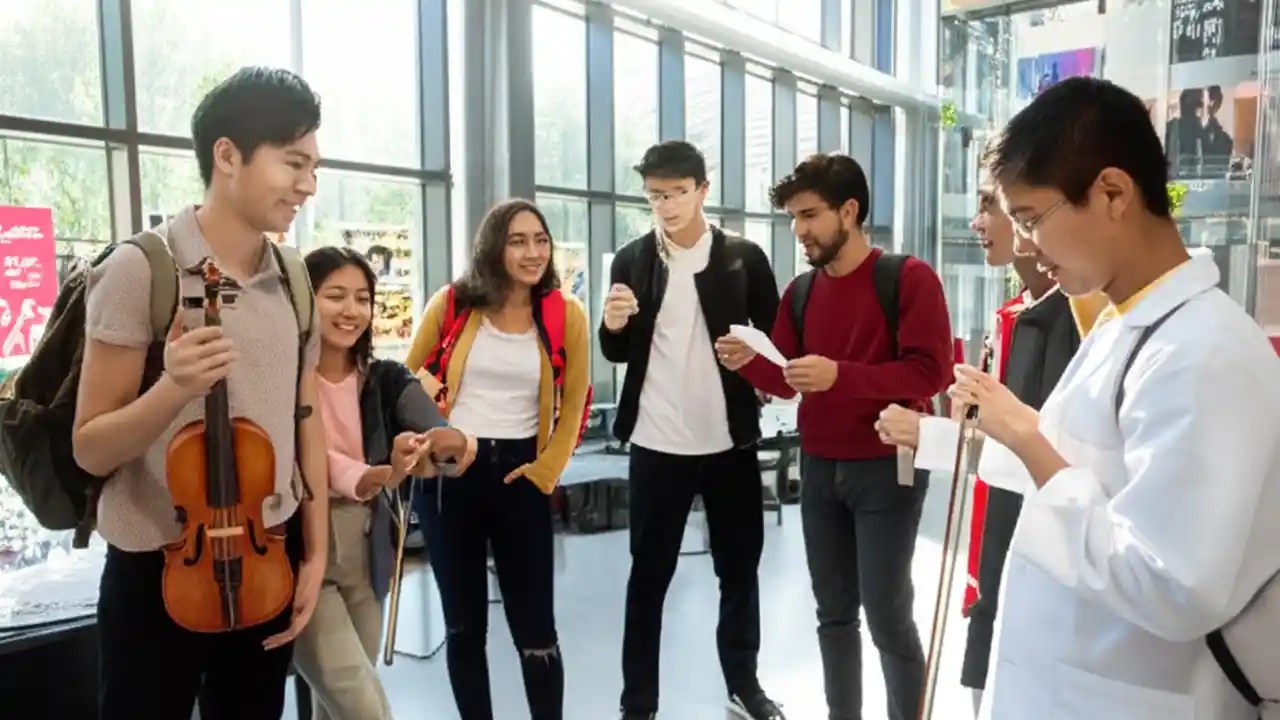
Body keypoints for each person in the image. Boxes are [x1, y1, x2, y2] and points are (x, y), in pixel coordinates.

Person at [946, 77, 1280, 719]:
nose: (1026, 245)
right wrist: (1007, 433)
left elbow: (1172, 584)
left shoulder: (1204, 351)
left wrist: (1029, 441)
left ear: (1112, 193)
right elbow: (1096, 467)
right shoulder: (1129, 322)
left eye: (1031, 219)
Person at [73, 67, 329, 720]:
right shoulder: (140, 268)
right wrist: (173, 388)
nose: (308, 184)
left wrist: (316, 551)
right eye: (293, 162)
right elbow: (90, 448)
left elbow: (306, 419)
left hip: (267, 557)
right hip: (157, 569)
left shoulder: (294, 277)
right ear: (227, 155)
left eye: (313, 167)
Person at [714, 153, 954, 720]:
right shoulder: (800, 292)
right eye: (793, 218)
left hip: (887, 468)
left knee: (888, 618)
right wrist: (748, 363)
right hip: (820, 468)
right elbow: (788, 379)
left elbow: (931, 373)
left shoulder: (908, 278)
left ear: (849, 211)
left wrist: (838, 375)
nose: (798, 230)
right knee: (834, 616)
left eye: (809, 215)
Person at [874, 160, 1084, 715]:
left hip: (1046, 566)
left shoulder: (1076, 321)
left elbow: (1048, 456)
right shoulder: (1017, 314)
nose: (978, 221)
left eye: (991, 205)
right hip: (997, 554)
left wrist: (935, 438)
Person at [599, 141, 784, 720]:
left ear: (703, 190)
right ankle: (638, 703)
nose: (667, 205)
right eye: (655, 195)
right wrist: (611, 325)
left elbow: (778, 339)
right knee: (648, 578)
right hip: (657, 442)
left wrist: (755, 359)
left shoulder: (744, 257)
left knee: (740, 571)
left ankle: (744, 685)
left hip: (728, 441)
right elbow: (617, 350)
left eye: (678, 193)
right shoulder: (631, 259)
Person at [404, 198, 591, 720]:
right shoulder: (453, 304)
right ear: (493, 247)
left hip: (520, 472)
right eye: (518, 241)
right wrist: (432, 445)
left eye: (541, 240)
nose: (533, 252)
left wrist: (545, 472)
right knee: (464, 626)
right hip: (450, 475)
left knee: (536, 629)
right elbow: (404, 385)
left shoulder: (564, 314)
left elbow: (577, 400)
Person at [292, 246, 474, 720]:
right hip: (297, 551)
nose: (351, 310)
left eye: (362, 298)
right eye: (335, 296)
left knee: (338, 703)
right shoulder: (281, 379)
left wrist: (447, 444)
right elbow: (307, 458)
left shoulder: (385, 378)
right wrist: (380, 473)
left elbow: (441, 438)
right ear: (303, 300)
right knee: (359, 702)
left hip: (368, 550)